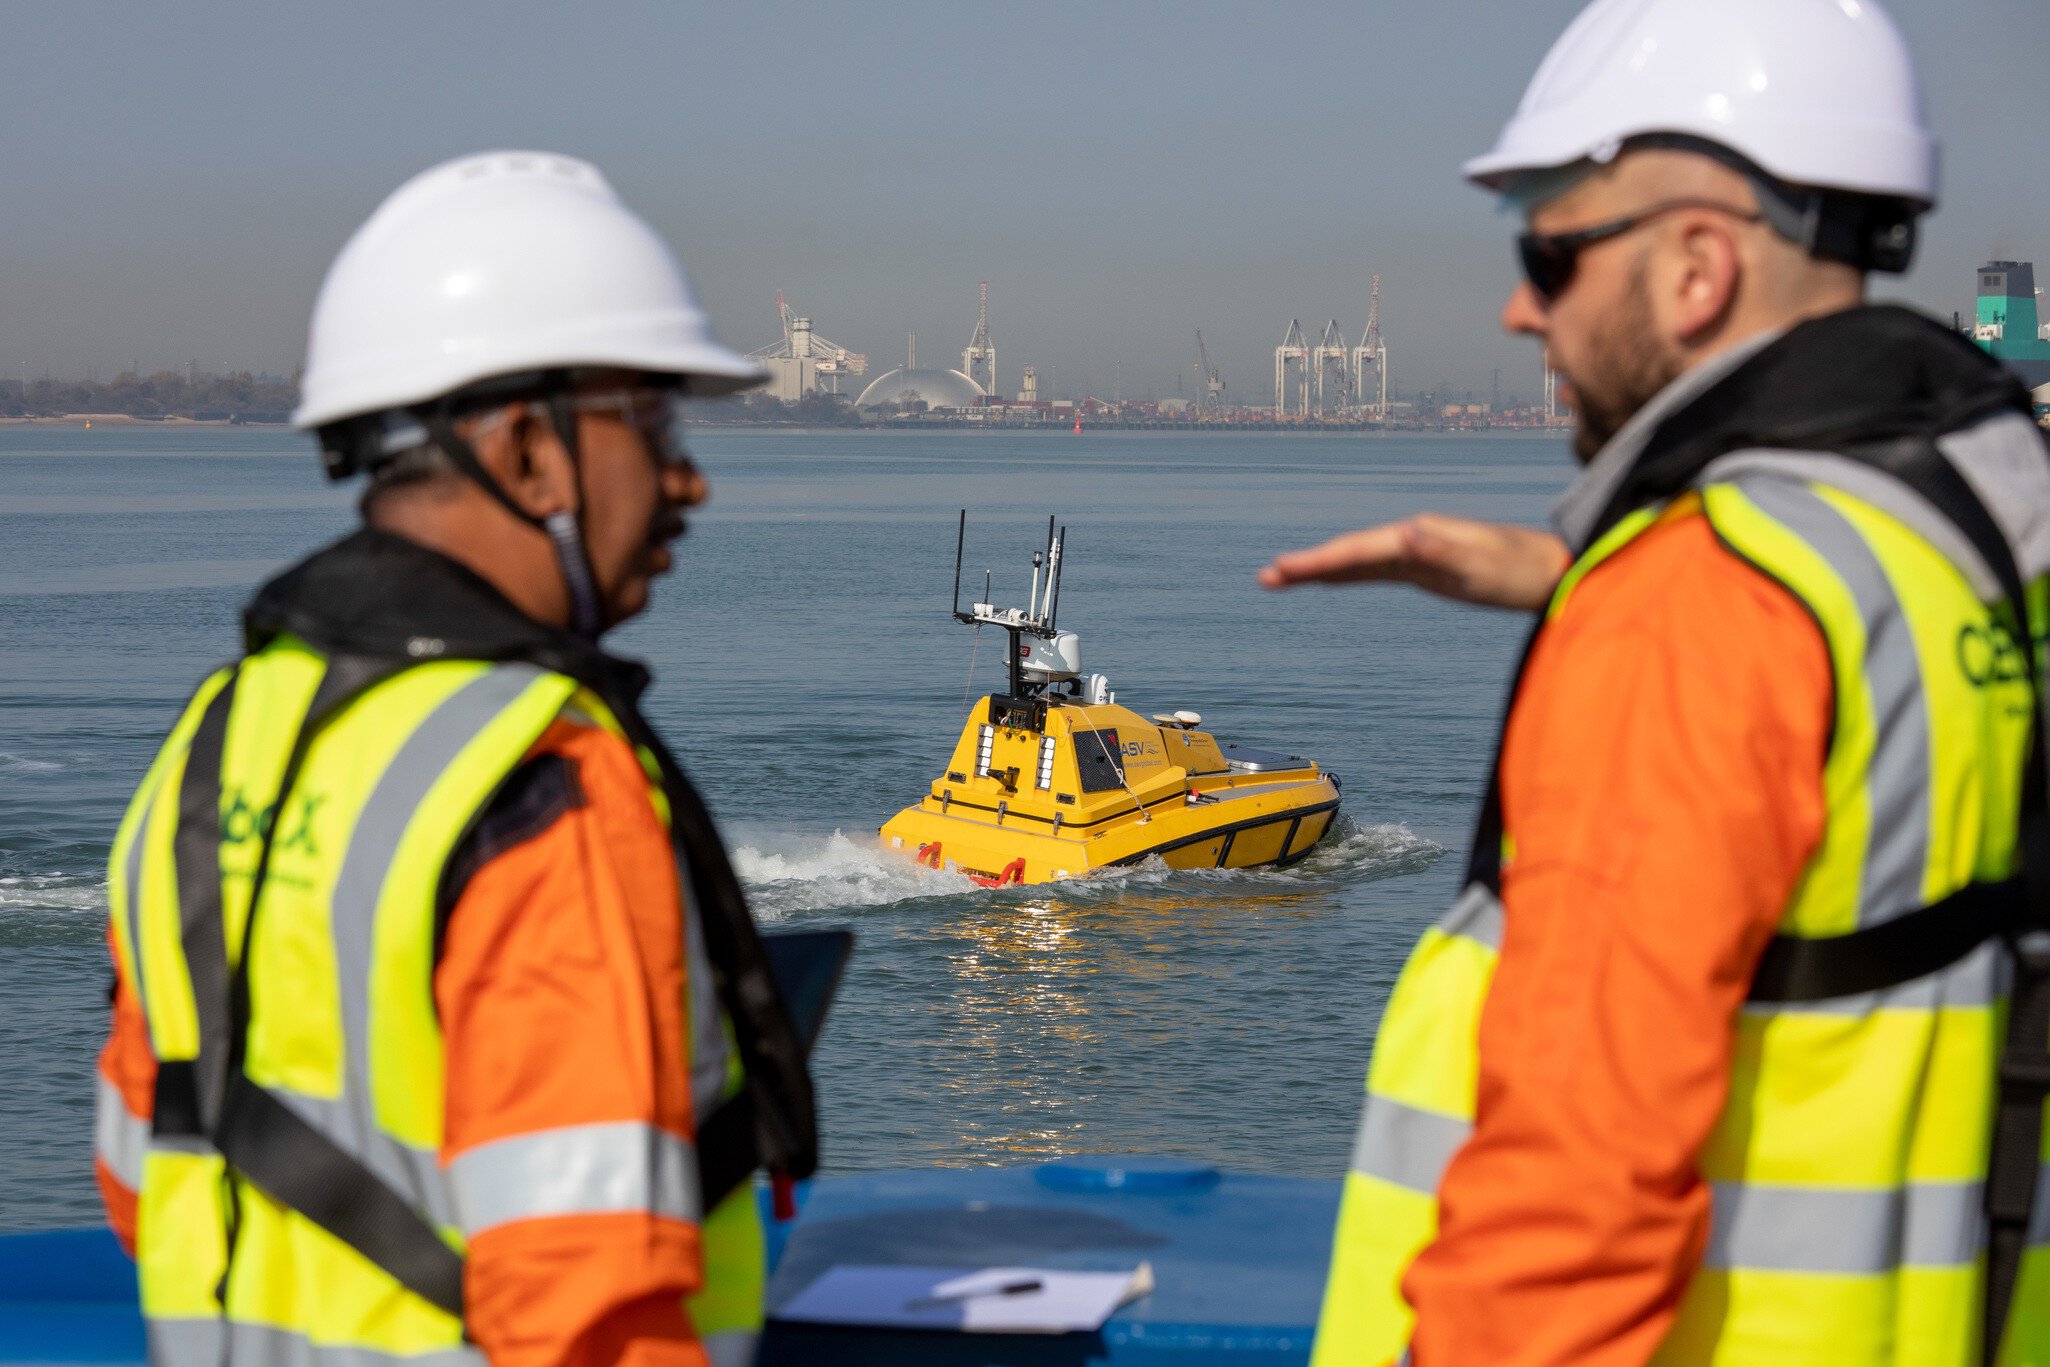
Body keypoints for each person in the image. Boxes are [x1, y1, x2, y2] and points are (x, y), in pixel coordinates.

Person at [1266, 1, 2050, 1362]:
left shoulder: (1692, 611)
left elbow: (1574, 1193)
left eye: (1549, 252)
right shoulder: (1987, 526)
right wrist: (1597, 563)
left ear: (1695, 266)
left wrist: (1653, 590)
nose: (1518, 305)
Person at [91, 151, 816, 1367]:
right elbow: (592, 1311)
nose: (689, 476)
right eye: (650, 421)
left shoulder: (219, 739)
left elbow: (138, 1169)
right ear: (529, 452)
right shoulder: (541, 778)